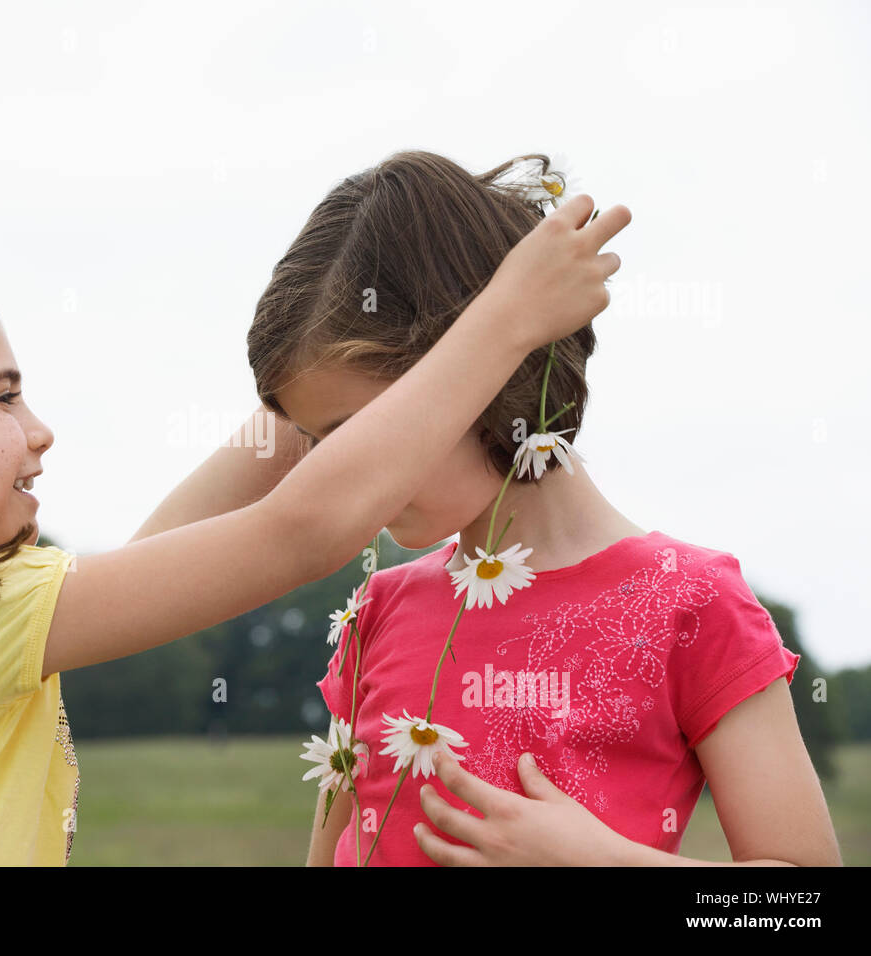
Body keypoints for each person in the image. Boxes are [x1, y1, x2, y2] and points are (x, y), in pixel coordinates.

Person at [0, 190, 626, 864]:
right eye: (5, 396)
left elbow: (159, 561)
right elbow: (299, 534)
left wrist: (308, 394)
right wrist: (505, 319)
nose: (40, 430)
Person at [140, 150, 840, 866]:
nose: (338, 474)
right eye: (315, 443)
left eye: (356, 433)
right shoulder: (376, 612)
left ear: (480, 366)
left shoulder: (693, 606)